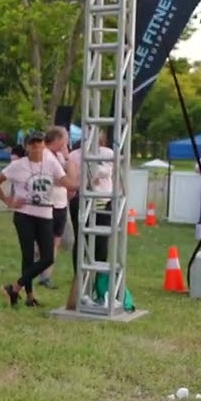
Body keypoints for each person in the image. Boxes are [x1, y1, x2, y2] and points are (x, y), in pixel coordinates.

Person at [0, 131, 77, 308]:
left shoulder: (50, 161)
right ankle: (29, 296)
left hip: (45, 214)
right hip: (25, 215)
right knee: (28, 255)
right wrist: (8, 201)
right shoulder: (18, 165)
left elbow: (65, 182)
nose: (36, 147)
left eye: (39, 143)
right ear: (27, 146)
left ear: (44, 145)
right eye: (33, 144)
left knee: (48, 257)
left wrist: (82, 182)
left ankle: (14, 287)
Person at [65, 129, 113, 310]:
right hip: (82, 200)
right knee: (82, 240)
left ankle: (101, 291)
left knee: (102, 243)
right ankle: (80, 287)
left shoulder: (108, 153)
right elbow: (74, 177)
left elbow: (106, 171)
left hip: (103, 201)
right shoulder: (74, 155)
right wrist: (88, 176)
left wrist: (91, 172)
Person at [36, 126, 71, 289]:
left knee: (55, 241)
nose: (67, 141)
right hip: (48, 203)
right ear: (57, 139)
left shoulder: (60, 156)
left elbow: (68, 176)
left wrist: (67, 157)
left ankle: (46, 276)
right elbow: (58, 179)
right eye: (65, 138)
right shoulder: (45, 155)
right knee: (43, 242)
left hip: (61, 203)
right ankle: (36, 269)